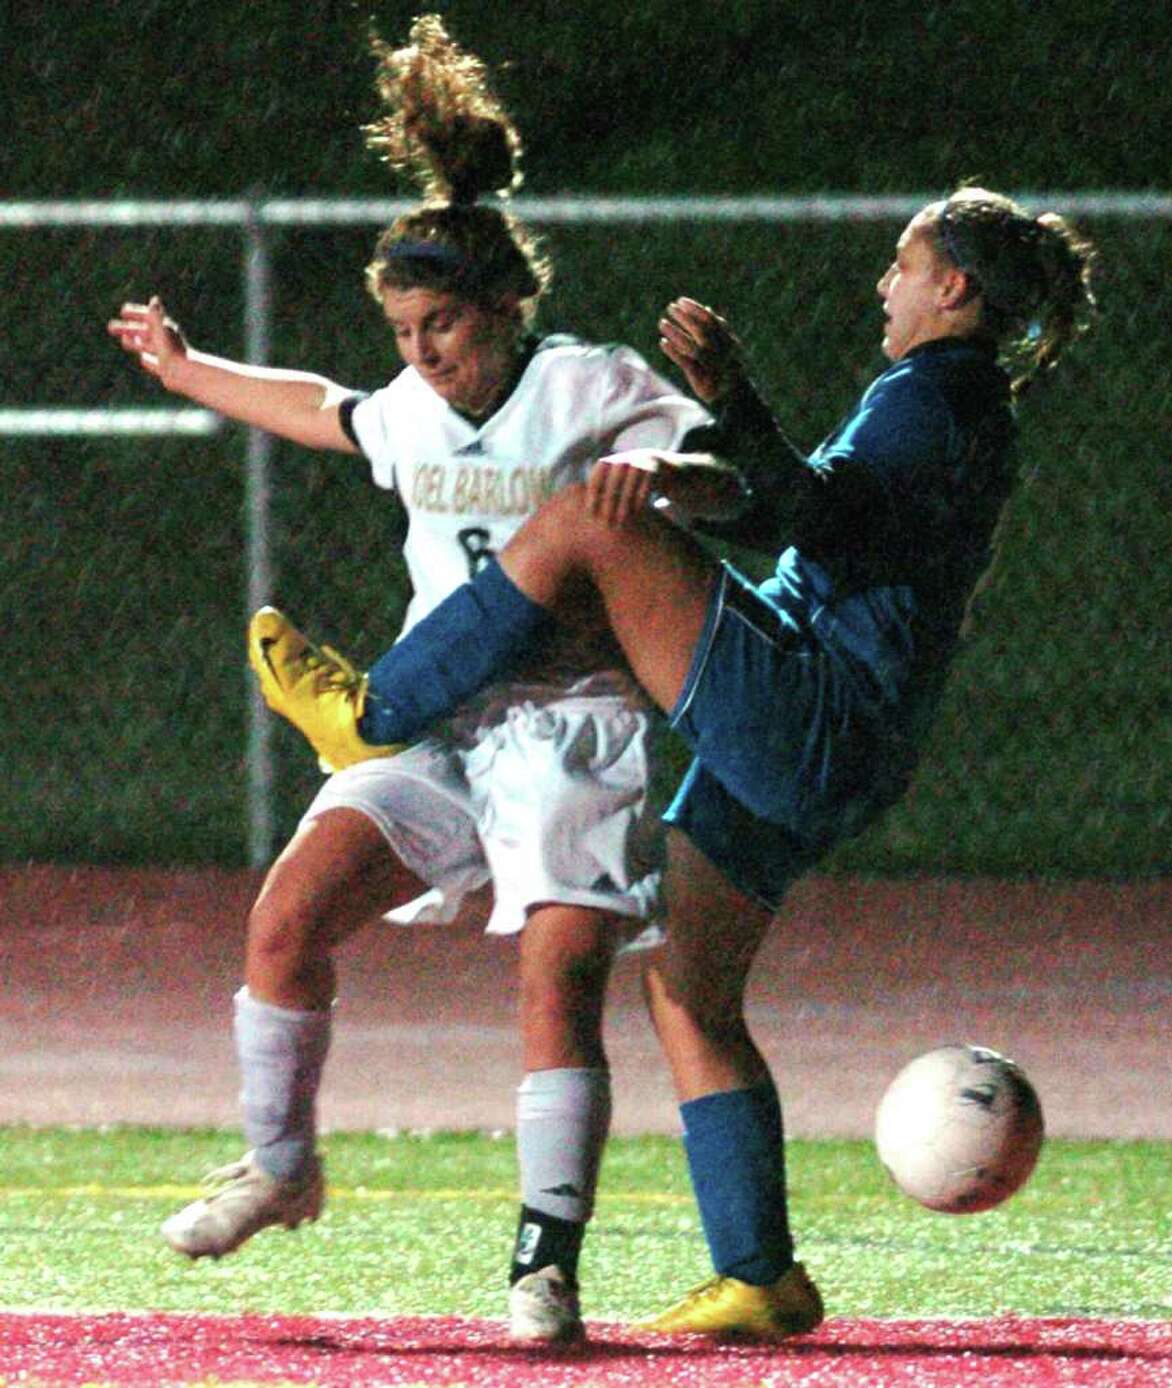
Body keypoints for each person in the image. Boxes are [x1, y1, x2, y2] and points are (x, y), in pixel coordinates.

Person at [249, 185, 1098, 1337]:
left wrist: (731, 403)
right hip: (844, 727)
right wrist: (699, 472)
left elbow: (811, 519)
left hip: (815, 705)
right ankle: (759, 1272)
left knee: (583, 525)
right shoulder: (945, 397)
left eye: (903, 265)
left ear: (954, 286)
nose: (884, 285)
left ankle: (378, 707)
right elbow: (794, 515)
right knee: (686, 982)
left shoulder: (937, 395)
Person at [107, 15, 723, 1344]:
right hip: (445, 723)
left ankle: (542, 1265)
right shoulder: (407, 405)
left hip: (568, 724)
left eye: (440, 322)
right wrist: (183, 367)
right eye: (402, 328)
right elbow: (322, 405)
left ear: (503, 305)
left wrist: (666, 478)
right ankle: (280, 1166)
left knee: (556, 981)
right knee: (285, 921)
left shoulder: (585, 383)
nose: (422, 352)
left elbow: (718, 468)